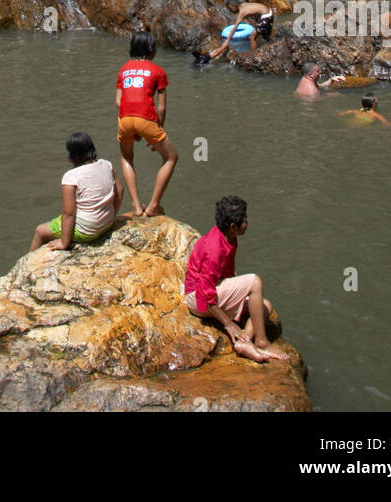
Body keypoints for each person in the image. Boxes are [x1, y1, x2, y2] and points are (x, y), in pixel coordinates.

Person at [184, 195, 289, 363]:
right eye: (244, 220)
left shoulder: (230, 238)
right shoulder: (214, 249)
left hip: (216, 291)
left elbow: (226, 276)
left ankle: (244, 342)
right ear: (233, 226)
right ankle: (262, 343)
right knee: (255, 281)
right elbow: (205, 294)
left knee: (264, 306)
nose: (247, 223)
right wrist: (229, 324)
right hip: (198, 299)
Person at [116, 32, 178, 217]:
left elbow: (118, 101)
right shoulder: (158, 71)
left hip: (125, 118)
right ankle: (153, 206)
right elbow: (161, 107)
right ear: (152, 50)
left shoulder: (124, 69)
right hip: (147, 118)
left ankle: (136, 206)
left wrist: (134, 128)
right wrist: (157, 130)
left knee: (126, 157)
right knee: (171, 157)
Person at [30, 132, 123, 252]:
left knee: (40, 231)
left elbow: (68, 213)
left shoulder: (71, 176)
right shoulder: (106, 165)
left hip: (87, 230)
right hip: (107, 223)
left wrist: (64, 242)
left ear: (73, 154)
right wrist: (112, 215)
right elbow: (120, 190)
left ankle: (27, 266)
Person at [210, 2, 274, 59]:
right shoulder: (243, 4)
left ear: (234, 6)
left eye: (231, 8)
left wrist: (226, 41)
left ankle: (254, 55)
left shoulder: (242, 12)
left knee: (252, 37)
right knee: (264, 35)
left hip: (266, 17)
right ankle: (273, 44)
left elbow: (235, 27)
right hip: (269, 12)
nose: (231, 10)